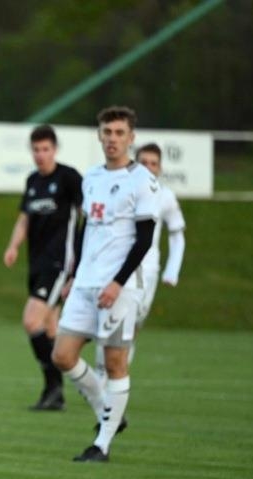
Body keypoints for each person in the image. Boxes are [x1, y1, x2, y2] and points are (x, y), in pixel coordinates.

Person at [50, 106, 159, 463]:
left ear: (131, 137)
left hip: (120, 287)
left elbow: (144, 240)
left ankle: (103, 444)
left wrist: (117, 282)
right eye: (107, 132)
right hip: (84, 284)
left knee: (114, 363)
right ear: (99, 135)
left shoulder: (142, 179)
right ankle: (110, 413)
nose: (112, 138)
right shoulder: (91, 177)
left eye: (119, 132)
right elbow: (85, 232)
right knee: (62, 355)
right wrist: (72, 276)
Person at [3, 125, 82, 411]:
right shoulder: (33, 181)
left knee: (31, 320)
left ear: (55, 149)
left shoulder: (69, 178)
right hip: (36, 263)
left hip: (60, 263)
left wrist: (81, 261)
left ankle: (54, 389)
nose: (40, 155)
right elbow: (24, 219)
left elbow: (86, 216)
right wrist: (13, 246)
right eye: (36, 149)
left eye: (45, 149)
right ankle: (77, 386)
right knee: (51, 329)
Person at [94, 142, 186, 379]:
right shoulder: (120, 190)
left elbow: (177, 235)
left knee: (132, 327)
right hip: (118, 268)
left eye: (153, 163)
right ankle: (103, 372)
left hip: (148, 271)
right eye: (144, 162)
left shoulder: (165, 197)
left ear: (160, 168)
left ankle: (116, 374)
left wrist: (172, 270)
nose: (148, 167)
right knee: (109, 320)